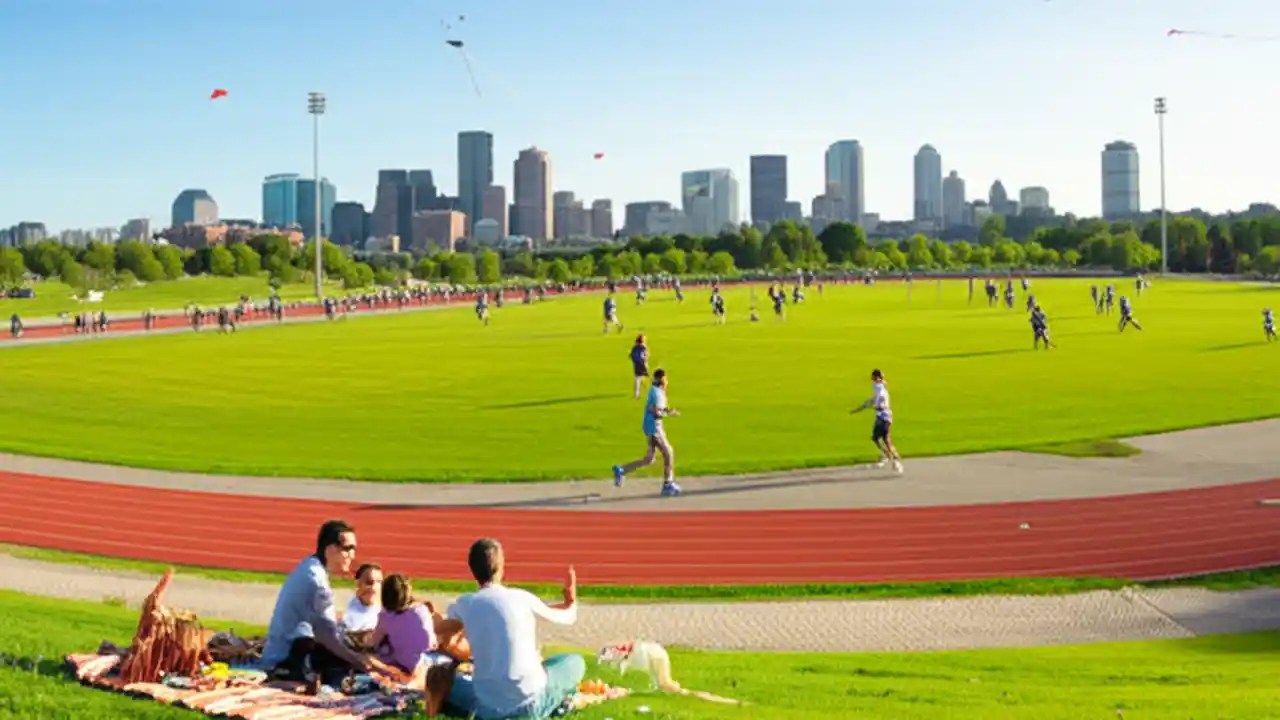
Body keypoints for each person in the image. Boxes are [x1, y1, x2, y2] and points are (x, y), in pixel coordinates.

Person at [443, 539, 584, 720]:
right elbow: (567, 617)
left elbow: (442, 632)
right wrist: (571, 602)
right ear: (502, 567)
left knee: (444, 679)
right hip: (530, 704)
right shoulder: (522, 598)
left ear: (473, 570)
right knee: (574, 662)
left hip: (487, 708)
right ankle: (554, 707)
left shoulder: (465, 604)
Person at [261, 520, 396, 688]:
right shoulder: (316, 582)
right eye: (347, 548)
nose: (352, 555)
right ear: (331, 549)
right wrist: (360, 662)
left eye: (354, 549)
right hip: (286, 659)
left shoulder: (310, 566)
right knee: (358, 662)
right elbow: (328, 637)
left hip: (289, 649)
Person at [612, 368, 681, 496]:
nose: (666, 381)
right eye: (665, 379)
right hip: (654, 427)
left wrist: (668, 412)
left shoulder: (656, 391)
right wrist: (668, 413)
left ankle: (621, 470)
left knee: (649, 459)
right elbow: (655, 410)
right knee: (668, 453)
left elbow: (658, 409)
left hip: (651, 426)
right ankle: (668, 484)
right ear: (661, 379)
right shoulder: (657, 393)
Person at [369, 574, 444, 673]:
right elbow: (431, 643)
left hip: (403, 661)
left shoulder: (385, 617)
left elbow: (374, 642)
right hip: (425, 661)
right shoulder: (421, 610)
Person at [850, 369, 903, 474]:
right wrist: (862, 407)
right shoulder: (878, 386)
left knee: (882, 439)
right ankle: (891, 457)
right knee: (881, 438)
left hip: (884, 417)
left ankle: (892, 459)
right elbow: (874, 399)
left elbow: (881, 400)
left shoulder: (880, 388)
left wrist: (877, 406)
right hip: (882, 416)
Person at [342, 563, 383, 633]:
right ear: (358, 584)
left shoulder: (385, 610)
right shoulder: (351, 615)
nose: (374, 587)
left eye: (379, 582)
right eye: (369, 582)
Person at [629, 334, 649, 399]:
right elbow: (646, 356)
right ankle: (637, 393)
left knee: (639, 377)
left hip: (636, 364)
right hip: (643, 364)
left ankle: (638, 393)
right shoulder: (644, 347)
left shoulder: (634, 347)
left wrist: (634, 361)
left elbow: (631, 355)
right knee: (640, 378)